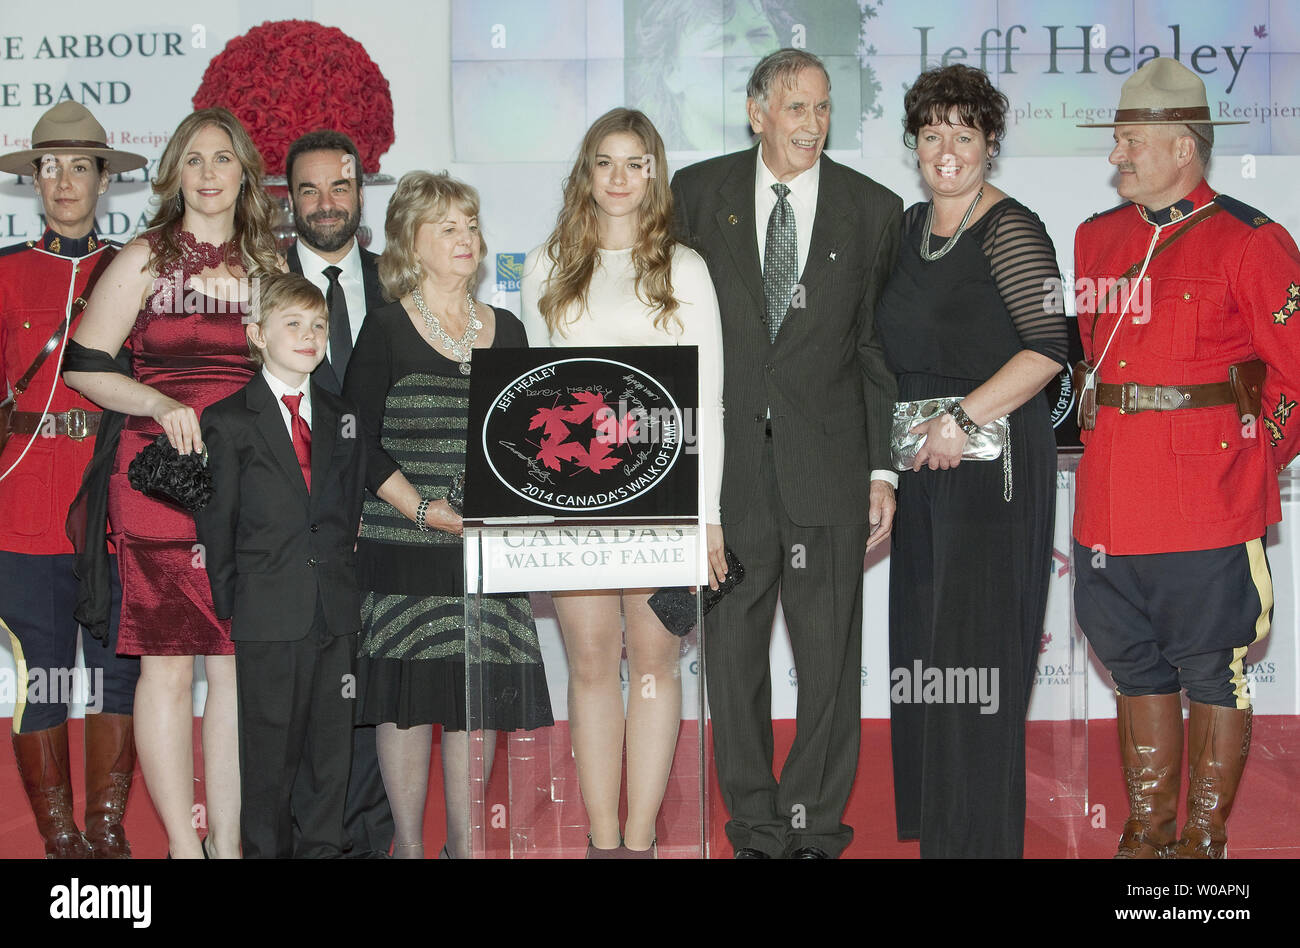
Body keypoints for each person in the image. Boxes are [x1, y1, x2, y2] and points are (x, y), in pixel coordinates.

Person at [670, 48, 902, 859]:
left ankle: (812, 826)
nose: (813, 124)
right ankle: (755, 824)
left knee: (830, 661)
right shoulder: (696, 194)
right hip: (727, 477)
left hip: (830, 471)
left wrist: (881, 468)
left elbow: (875, 349)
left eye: (824, 108)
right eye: (797, 108)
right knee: (731, 663)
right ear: (757, 111)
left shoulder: (874, 209)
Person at [1072, 57, 1300, 859]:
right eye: (1118, 140)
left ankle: (1202, 838)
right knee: (1132, 663)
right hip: (1107, 502)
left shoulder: (1253, 241)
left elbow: (1295, 377)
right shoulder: (1096, 239)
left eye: (1131, 140)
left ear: (1183, 144)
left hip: (1209, 499)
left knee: (1210, 666)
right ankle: (1145, 832)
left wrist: (1252, 461)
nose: (1117, 156)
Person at [64, 107, 282, 859]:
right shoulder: (145, 259)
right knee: (167, 662)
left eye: (224, 157)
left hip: (247, 487)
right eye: (195, 159)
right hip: (158, 479)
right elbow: (83, 366)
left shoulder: (269, 269)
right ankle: (183, 854)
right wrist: (159, 401)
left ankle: (226, 846)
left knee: (232, 663)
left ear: (244, 172)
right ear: (174, 174)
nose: (211, 172)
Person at [520, 107, 727, 858]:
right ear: (587, 171)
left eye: (635, 162)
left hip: (665, 501)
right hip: (573, 506)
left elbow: (709, 399)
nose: (618, 177)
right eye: (604, 161)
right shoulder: (545, 265)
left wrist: (707, 519)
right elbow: (530, 398)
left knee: (656, 662)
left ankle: (641, 839)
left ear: (653, 174)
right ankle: (602, 840)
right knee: (588, 662)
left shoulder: (686, 269)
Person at [874, 64, 1068, 858]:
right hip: (920, 472)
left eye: (964, 134)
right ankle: (939, 829)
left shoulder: (1018, 230)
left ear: (990, 143)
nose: (946, 149)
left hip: (994, 470)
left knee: (976, 656)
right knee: (924, 649)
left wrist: (962, 417)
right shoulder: (906, 227)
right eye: (931, 133)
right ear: (913, 142)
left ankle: (978, 842)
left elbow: (1050, 351)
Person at [343, 171, 553, 859]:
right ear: (412, 241)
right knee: (407, 698)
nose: (466, 239)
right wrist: (425, 508)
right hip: (404, 542)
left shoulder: (510, 329)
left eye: (470, 225)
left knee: (476, 696)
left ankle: (465, 848)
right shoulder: (385, 328)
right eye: (447, 228)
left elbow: (532, 440)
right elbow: (356, 441)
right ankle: (407, 847)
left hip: (486, 549)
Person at [0, 103, 145, 858]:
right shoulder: (6, 272)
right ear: (34, 181)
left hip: (115, 502)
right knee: (44, 676)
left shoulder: (133, 270)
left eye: (79, 166)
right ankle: (61, 832)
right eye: (49, 167)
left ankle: (109, 824)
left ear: (101, 180)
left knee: (118, 674)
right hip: (24, 505)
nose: (63, 181)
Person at [195, 273, 365, 858]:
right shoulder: (228, 420)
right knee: (268, 757)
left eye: (318, 325)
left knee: (330, 754)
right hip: (266, 615)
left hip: (334, 611)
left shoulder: (344, 418)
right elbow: (217, 524)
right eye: (292, 324)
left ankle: (322, 850)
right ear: (256, 334)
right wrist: (230, 606)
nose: (308, 335)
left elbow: (344, 514)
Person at [283, 129, 392, 856]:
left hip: (389, 516)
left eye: (340, 186)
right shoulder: (260, 288)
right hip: (293, 527)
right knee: (299, 693)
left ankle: (367, 840)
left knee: (374, 686)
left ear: (362, 193)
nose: (326, 204)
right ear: (287, 200)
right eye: (310, 189)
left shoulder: (400, 282)